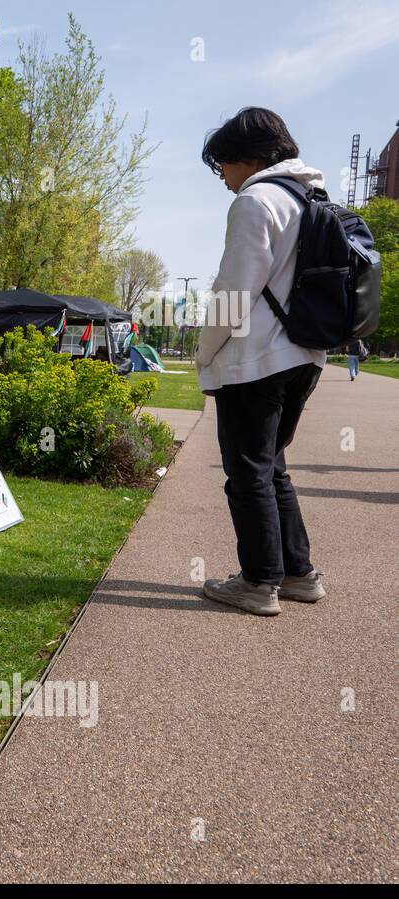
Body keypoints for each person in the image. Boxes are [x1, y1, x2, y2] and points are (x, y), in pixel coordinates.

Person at [196, 107, 327, 616]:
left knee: (248, 473)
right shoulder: (309, 197)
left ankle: (258, 582)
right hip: (305, 354)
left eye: (222, 166)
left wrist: (206, 354)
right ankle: (298, 574)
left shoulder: (255, 201)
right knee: (272, 468)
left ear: (247, 158)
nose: (222, 178)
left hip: (257, 360)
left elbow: (234, 291)